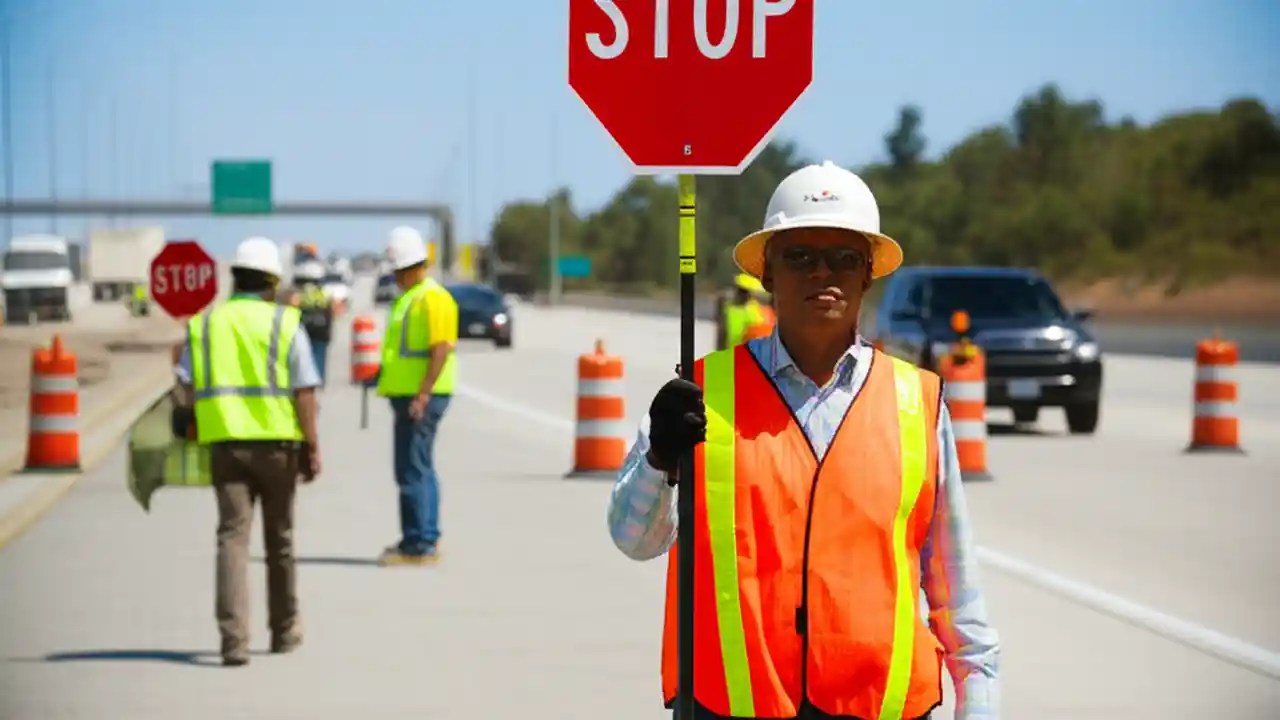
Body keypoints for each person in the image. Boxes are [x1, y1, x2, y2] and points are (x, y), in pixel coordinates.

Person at [607, 161, 1000, 719]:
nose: (823, 273)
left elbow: (957, 595)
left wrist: (979, 705)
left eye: (844, 258)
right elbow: (633, 538)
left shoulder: (917, 402)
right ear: (767, 273)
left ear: (868, 273)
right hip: (733, 708)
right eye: (800, 257)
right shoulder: (701, 393)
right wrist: (660, 459)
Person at [173, 236, 323, 667]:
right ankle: (283, 631)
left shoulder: (204, 325)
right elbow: (305, 392)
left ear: (234, 277)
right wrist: (312, 446)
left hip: (226, 448)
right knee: (280, 542)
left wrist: (191, 424)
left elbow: (183, 383)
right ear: (272, 281)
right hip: (279, 448)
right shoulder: (286, 323)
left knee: (232, 539)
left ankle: (233, 642)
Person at [375, 225, 458, 566]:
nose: (394, 277)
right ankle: (422, 538)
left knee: (413, 469)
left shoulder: (432, 298)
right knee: (414, 466)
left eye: (397, 271)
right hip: (409, 394)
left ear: (409, 267)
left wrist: (422, 393)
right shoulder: (410, 298)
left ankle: (419, 544)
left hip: (421, 396)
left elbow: (440, 348)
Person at [291, 259, 336, 386]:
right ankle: (318, 381)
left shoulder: (300, 293)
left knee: (303, 355)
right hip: (321, 329)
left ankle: (305, 381)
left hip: (304, 328)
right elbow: (332, 310)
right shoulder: (323, 292)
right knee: (319, 354)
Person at [717, 272, 771, 349]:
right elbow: (722, 336)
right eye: (741, 290)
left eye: (745, 292)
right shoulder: (728, 309)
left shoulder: (757, 312)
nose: (743, 295)